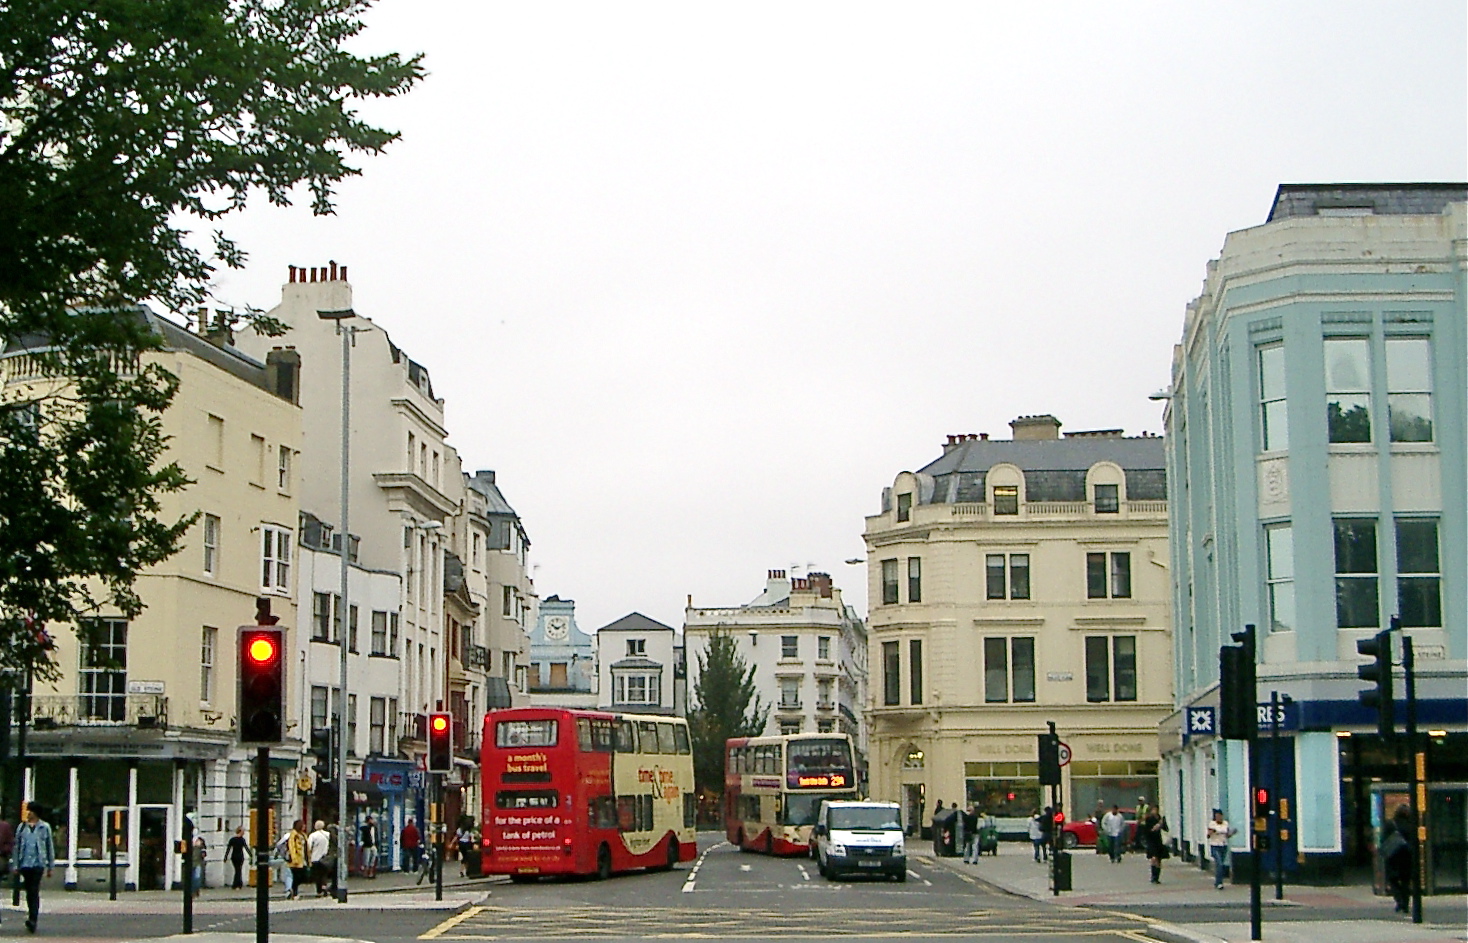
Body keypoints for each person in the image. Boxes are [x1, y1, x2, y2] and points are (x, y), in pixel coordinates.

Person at [14, 804, 54, 934]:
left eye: (30, 811)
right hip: (25, 864)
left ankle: (33, 919)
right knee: (28, 891)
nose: (28, 813)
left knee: (33, 890)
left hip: (38, 864)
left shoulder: (44, 827)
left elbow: (49, 847)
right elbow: (17, 847)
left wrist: (50, 866)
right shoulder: (22, 828)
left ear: (36, 813)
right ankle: (31, 915)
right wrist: (15, 865)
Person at [1381, 808, 1413, 914]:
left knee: (1393, 880)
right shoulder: (1410, 825)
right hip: (1406, 857)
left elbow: (1383, 840)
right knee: (1405, 881)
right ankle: (1405, 904)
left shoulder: (1391, 824)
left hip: (1393, 857)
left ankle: (1399, 901)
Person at [1206, 809, 1235, 889]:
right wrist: (1211, 832)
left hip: (1223, 846)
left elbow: (1227, 835)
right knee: (1219, 864)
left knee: (1221, 865)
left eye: (1220, 816)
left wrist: (1232, 833)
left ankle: (1217, 881)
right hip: (1215, 846)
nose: (1219, 818)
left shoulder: (1225, 824)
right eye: (1217, 816)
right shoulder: (1212, 824)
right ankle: (1219, 883)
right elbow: (1208, 835)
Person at [1143, 804, 1169, 884]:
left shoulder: (1160, 818)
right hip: (1151, 841)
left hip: (1158, 841)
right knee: (1154, 858)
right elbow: (1147, 831)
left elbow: (1166, 829)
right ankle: (1153, 876)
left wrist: (1162, 824)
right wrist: (1155, 828)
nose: (1155, 811)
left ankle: (1157, 876)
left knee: (1159, 859)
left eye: (1156, 809)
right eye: (1154, 810)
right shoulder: (1149, 819)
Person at [285, 820, 309, 899]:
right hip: (296, 860)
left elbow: (306, 848)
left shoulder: (303, 835)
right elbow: (292, 847)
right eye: (303, 825)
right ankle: (294, 892)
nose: (304, 827)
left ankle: (292, 890)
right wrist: (294, 858)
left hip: (302, 859)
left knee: (302, 876)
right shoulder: (294, 834)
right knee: (296, 876)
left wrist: (308, 858)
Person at [307, 820, 330, 896]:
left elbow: (309, 847)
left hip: (315, 858)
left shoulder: (313, 836)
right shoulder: (328, 834)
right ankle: (324, 886)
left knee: (317, 875)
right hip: (325, 857)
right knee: (324, 874)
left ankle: (319, 891)